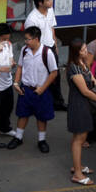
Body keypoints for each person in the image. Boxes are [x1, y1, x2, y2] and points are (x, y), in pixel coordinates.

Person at [9, 25, 59, 153]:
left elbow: (54, 73)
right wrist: (16, 83)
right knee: (22, 114)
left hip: (41, 90)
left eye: (28, 39)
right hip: (26, 88)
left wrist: (42, 88)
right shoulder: (25, 50)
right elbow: (19, 67)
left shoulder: (47, 53)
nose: (26, 41)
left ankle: (42, 140)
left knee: (42, 117)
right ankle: (18, 137)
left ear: (36, 39)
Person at [25, 0, 66, 111]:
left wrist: (55, 44)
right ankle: (36, 104)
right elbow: (31, 41)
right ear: (40, 3)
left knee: (55, 75)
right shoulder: (32, 20)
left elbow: (52, 27)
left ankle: (57, 103)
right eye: (48, 0)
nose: (51, 1)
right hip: (40, 51)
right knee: (40, 78)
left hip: (51, 47)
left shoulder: (50, 10)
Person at [64, 38, 96, 186]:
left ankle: (76, 166)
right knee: (80, 138)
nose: (86, 51)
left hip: (83, 105)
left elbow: (93, 80)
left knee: (79, 137)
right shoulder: (74, 67)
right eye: (83, 50)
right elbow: (85, 91)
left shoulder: (83, 64)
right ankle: (78, 174)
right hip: (78, 105)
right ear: (76, 52)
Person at [0, 22, 17, 138]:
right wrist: (5, 68)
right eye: (5, 37)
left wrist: (12, 63)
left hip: (8, 83)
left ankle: (5, 128)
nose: (7, 39)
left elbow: (11, 57)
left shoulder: (9, 44)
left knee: (8, 108)